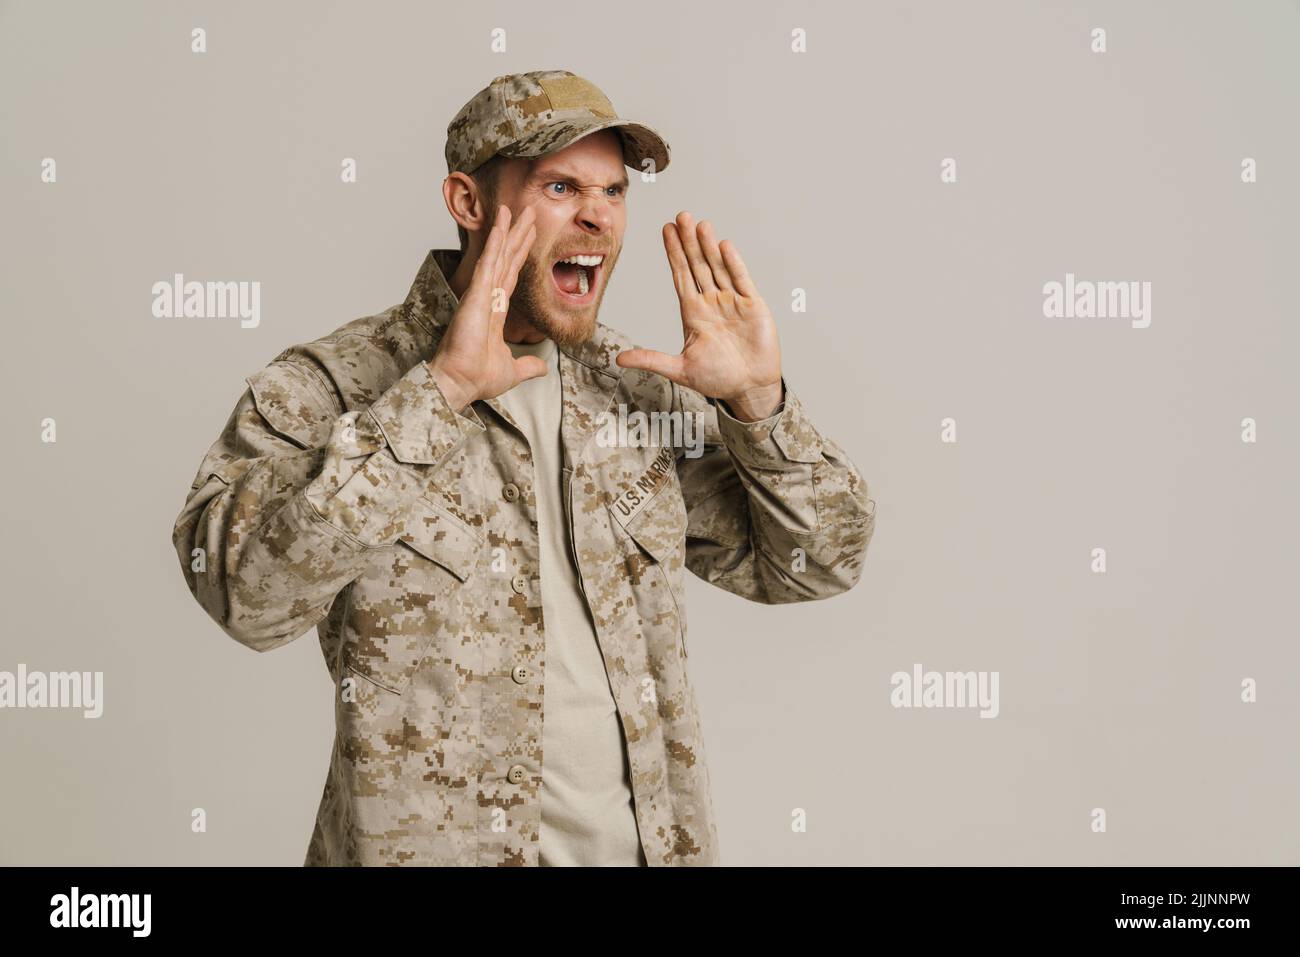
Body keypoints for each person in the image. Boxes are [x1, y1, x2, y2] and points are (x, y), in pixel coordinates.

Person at [171, 69, 876, 867]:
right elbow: (246, 598)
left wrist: (759, 405)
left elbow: (817, 564)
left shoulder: (633, 388)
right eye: (560, 185)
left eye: (613, 191)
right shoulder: (332, 386)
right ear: (469, 203)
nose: (597, 215)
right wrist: (437, 397)